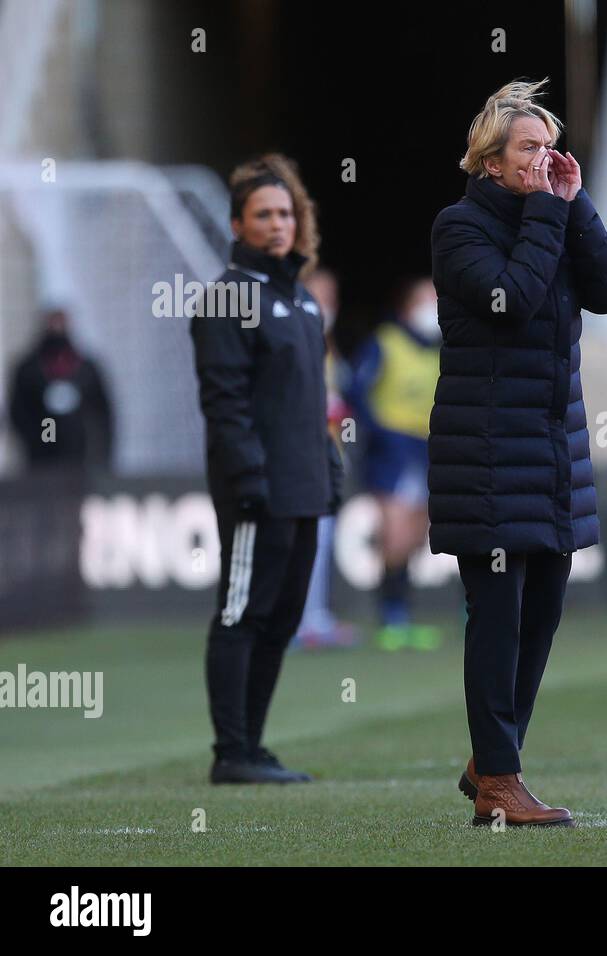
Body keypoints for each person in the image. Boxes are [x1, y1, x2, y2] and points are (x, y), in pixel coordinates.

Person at [429, 78, 607, 826]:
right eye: (529, 147)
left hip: (551, 451)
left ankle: (492, 758)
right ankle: (499, 783)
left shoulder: (554, 214)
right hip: (484, 452)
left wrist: (576, 206)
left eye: (552, 146)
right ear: (491, 163)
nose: (545, 157)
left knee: (542, 610)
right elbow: (508, 301)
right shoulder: (459, 229)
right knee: (498, 613)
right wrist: (550, 213)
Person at [189, 153, 344, 783]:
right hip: (257, 491)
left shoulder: (304, 303)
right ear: (237, 225)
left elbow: (309, 402)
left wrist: (331, 470)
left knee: (281, 619)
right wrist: (249, 477)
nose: (277, 224)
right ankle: (230, 753)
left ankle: (253, 746)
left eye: (285, 213)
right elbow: (223, 399)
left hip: (305, 487)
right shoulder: (227, 299)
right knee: (242, 612)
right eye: (262, 215)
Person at [344, 277, 442, 651]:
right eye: (426, 299)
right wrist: (376, 430)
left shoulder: (437, 348)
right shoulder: (386, 342)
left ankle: (400, 613)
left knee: (417, 533)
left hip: (426, 445)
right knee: (396, 531)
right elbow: (356, 387)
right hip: (394, 446)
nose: (433, 306)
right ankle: (390, 615)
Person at [291, 266, 359, 650]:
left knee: (319, 539)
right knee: (305, 539)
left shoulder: (326, 344)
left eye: (331, 296)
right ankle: (301, 621)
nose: (326, 304)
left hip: (326, 455)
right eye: (319, 295)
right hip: (303, 456)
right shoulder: (297, 340)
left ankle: (313, 617)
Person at [6, 307, 114, 473]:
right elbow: (18, 411)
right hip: (40, 457)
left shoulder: (86, 368)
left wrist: (101, 454)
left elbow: (103, 413)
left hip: (80, 456)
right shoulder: (28, 369)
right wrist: (33, 440)